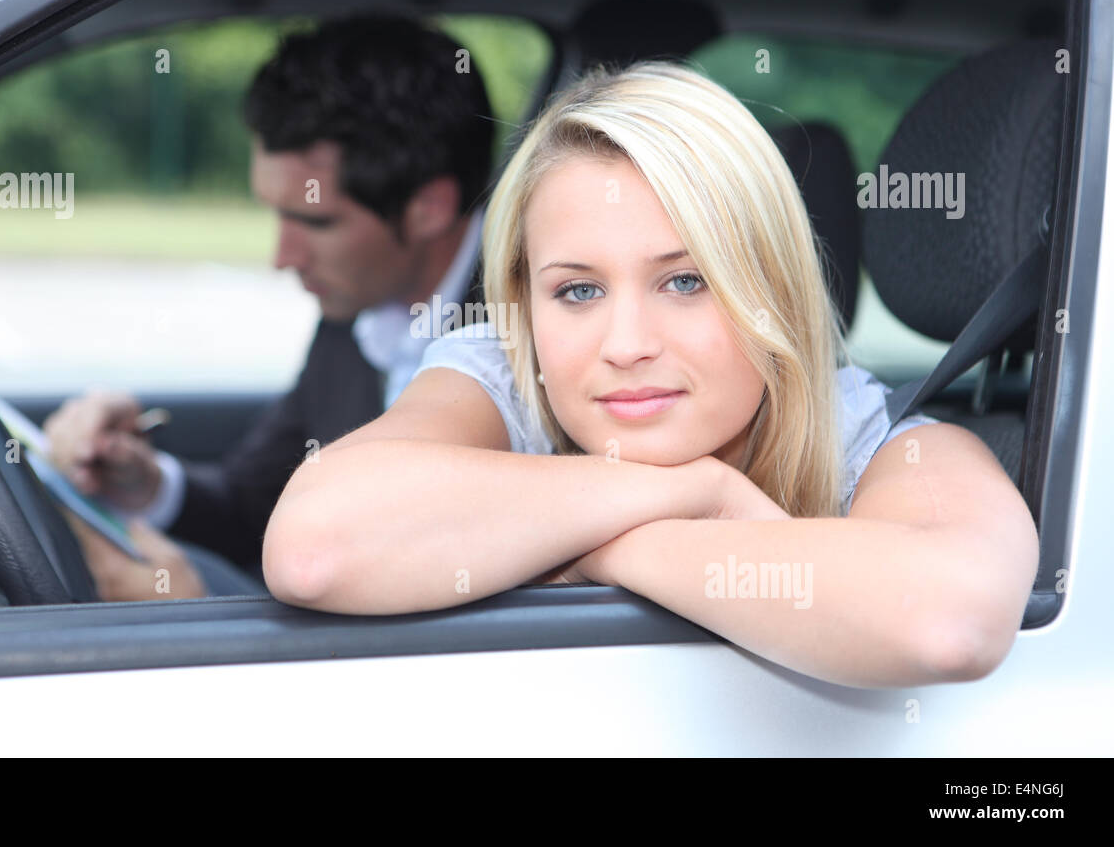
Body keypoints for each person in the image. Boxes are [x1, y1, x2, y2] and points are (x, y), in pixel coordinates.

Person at [260, 59, 1040, 689]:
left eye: (685, 281)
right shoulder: (511, 374)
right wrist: (700, 495)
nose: (626, 344)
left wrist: (596, 548)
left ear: (770, 289)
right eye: (578, 291)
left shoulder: (880, 441)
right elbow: (314, 549)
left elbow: (950, 623)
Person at [45, 13, 495, 599]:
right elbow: (255, 504)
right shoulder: (359, 309)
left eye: (315, 221)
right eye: (277, 214)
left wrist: (194, 614)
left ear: (429, 208)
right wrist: (145, 484)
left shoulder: (538, 330)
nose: (282, 257)